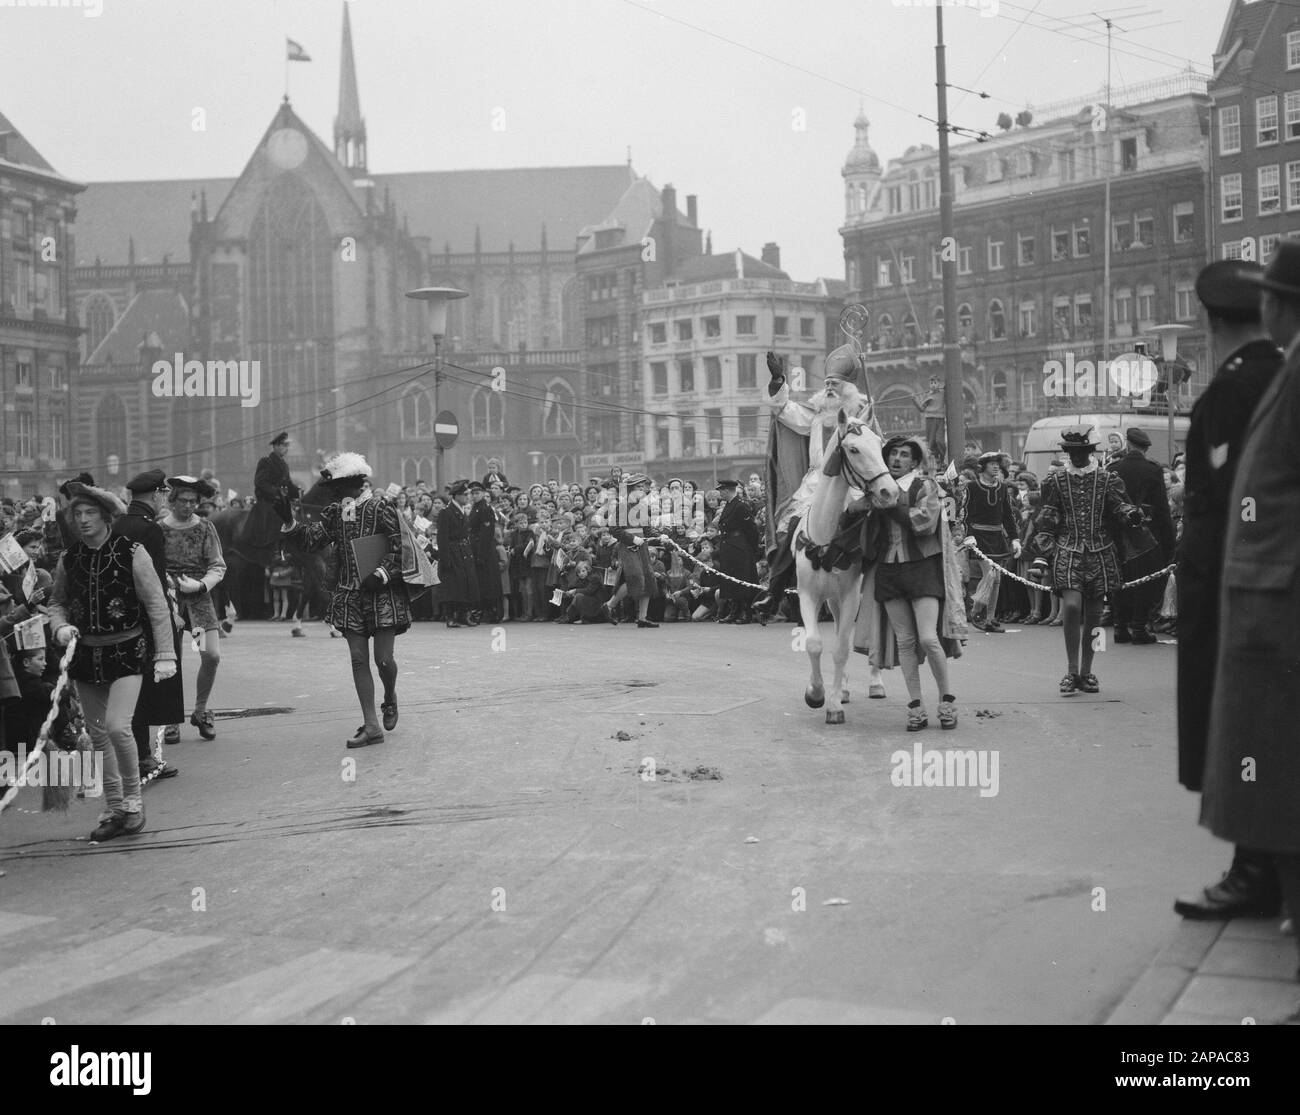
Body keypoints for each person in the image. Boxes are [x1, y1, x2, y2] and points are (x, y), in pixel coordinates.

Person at [1172, 259, 1285, 922]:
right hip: (1266, 584)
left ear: (1211, 323)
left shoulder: (1233, 391)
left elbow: (1219, 504)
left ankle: (1254, 864)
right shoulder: (1283, 373)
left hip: (1232, 589)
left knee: (1240, 727)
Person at [1199, 245, 1300, 979]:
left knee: (1269, 755)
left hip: (1275, 598)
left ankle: (1269, 883)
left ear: (1278, 304)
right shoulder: (1284, 367)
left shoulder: (1278, 374)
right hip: (1264, 593)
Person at [47, 482, 177, 841]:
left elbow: (156, 605)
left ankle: (134, 802)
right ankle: (114, 807)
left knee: (119, 727)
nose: (84, 520)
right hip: (86, 656)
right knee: (98, 734)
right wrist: (60, 627)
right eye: (77, 514)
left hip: (127, 652)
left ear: (106, 516)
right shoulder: (69, 558)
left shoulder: (131, 552)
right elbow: (57, 602)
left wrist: (165, 653)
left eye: (91, 513)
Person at [282, 453, 411, 748]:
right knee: (357, 659)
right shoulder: (336, 512)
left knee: (383, 659)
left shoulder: (381, 508)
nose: (334, 493)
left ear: (353, 484)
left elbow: (399, 548)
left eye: (338, 488)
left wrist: (381, 574)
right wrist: (289, 521)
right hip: (349, 594)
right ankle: (371, 726)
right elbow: (312, 540)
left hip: (381, 594)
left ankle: (389, 696)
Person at [754, 344, 880, 618]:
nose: (830, 388)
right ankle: (773, 593)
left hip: (852, 483)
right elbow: (783, 409)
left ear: (850, 388)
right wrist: (778, 381)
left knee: (874, 524)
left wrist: (870, 425)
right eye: (827, 384)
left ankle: (877, 586)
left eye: (836, 383)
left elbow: (875, 449)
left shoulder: (862, 418)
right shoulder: (815, 415)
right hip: (815, 484)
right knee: (789, 527)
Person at [1030, 428, 1143, 696]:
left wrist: (1130, 513)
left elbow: (1117, 506)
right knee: (1071, 606)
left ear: (1090, 451)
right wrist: (1042, 552)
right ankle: (1071, 670)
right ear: (1068, 452)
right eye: (1072, 451)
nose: (1077, 456)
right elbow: (1049, 515)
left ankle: (1086, 671)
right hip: (1068, 548)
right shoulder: (1056, 481)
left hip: (1100, 550)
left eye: (1081, 451)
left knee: (1093, 615)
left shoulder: (1106, 479)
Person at [868, 436, 966, 730]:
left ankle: (947, 700)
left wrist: (889, 504)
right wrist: (858, 508)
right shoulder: (876, 490)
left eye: (903, 455)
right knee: (906, 642)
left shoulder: (927, 486)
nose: (896, 459)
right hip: (888, 571)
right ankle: (915, 706)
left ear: (914, 462)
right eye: (893, 454)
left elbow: (925, 523)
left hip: (923, 568)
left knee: (927, 638)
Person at [115, 469, 183, 780]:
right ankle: (142, 756)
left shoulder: (115, 525)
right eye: (164, 495)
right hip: (143, 618)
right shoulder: (150, 530)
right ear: (156, 495)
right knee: (143, 691)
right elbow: (154, 582)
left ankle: (131, 755)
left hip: (117, 617)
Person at [161, 476, 227, 742]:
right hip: (169, 601)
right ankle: (170, 719)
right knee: (169, 660)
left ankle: (200, 712)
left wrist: (200, 585)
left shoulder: (206, 527)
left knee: (210, 654)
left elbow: (218, 565)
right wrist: (166, 583)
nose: (188, 506)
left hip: (198, 600)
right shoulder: (159, 529)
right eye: (182, 501)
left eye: (192, 501)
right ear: (172, 500)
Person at [1107, 428, 1176, 644]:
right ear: (1145, 448)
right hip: (1147, 535)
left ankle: (1120, 626)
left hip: (1118, 534)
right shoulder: (1153, 470)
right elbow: (1162, 509)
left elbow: (1107, 507)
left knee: (1121, 579)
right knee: (1145, 581)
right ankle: (1138, 627)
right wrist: (1169, 539)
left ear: (1127, 444)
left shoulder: (1112, 468)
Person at [958, 451, 1021, 633]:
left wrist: (1015, 538)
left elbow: (1008, 515)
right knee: (990, 575)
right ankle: (976, 612)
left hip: (997, 537)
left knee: (997, 579)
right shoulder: (972, 487)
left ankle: (990, 618)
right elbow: (965, 514)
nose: (996, 467)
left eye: (998, 464)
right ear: (983, 466)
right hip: (979, 537)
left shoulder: (1002, 487)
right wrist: (968, 534)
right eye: (992, 463)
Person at [246, 431, 301, 569]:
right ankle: (276, 551)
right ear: (275, 446)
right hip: (268, 501)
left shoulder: (284, 464)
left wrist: (299, 492)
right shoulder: (266, 461)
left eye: (287, 446)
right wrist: (277, 492)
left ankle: (291, 548)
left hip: (280, 500)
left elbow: (288, 483)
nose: (286, 448)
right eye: (283, 445)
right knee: (278, 515)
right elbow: (260, 482)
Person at [713, 479, 760, 624]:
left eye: (721, 490)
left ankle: (746, 612)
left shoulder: (740, 506)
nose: (720, 493)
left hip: (740, 547)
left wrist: (751, 548)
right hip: (729, 546)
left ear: (727, 490)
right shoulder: (729, 505)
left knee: (742, 580)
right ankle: (734, 610)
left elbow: (752, 530)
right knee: (730, 579)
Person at [436, 480, 480, 628]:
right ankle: (450, 616)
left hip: (464, 551)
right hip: (452, 551)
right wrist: (445, 560)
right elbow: (442, 537)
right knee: (452, 585)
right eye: (465, 494)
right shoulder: (446, 512)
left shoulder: (462, 510)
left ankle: (463, 615)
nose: (468, 497)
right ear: (456, 496)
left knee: (466, 584)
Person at [468, 481, 502, 623]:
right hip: (476, 549)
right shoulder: (475, 508)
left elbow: (486, 534)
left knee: (489, 583)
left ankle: (493, 612)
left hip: (485, 551)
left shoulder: (486, 509)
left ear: (483, 494)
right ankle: (483, 611)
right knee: (481, 583)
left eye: (477, 493)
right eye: (473, 493)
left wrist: (481, 555)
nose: (474, 496)